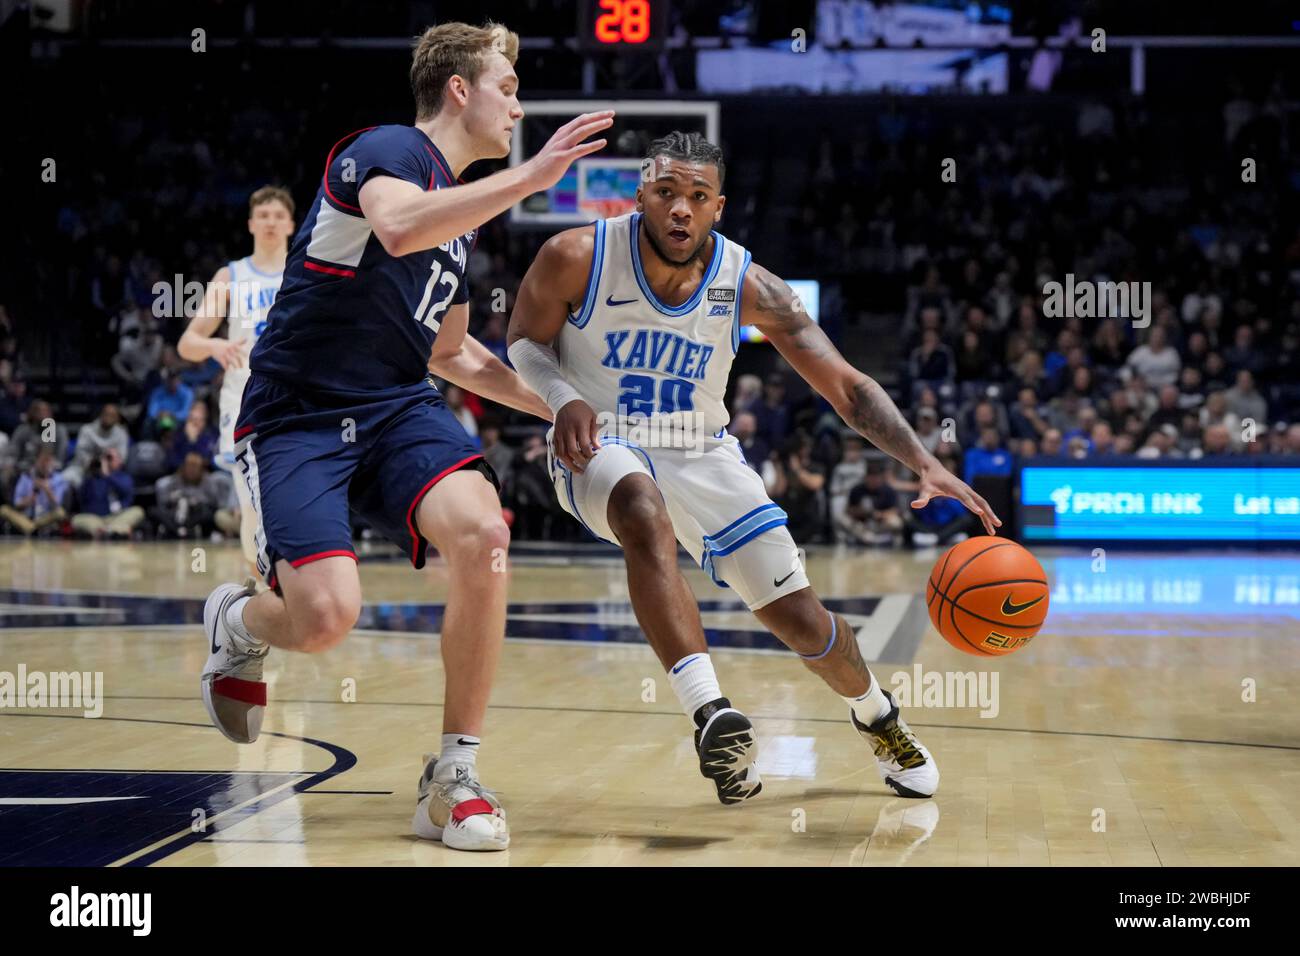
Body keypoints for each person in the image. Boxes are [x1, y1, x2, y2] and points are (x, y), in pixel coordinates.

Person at [198, 19, 611, 853]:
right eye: (509, 88)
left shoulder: (462, 220)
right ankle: (239, 623)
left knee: (487, 533)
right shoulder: (386, 150)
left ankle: (453, 776)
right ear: (459, 90)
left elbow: (455, 354)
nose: (519, 107)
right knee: (322, 620)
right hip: (297, 414)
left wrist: (566, 404)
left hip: (393, 406)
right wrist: (533, 177)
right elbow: (395, 228)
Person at [507, 131, 1000, 806]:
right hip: (600, 441)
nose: (680, 209)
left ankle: (878, 715)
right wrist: (562, 398)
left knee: (802, 621)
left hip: (704, 450)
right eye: (666, 193)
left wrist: (923, 461)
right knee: (640, 505)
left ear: (719, 208)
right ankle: (714, 716)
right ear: (642, 196)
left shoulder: (749, 284)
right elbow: (525, 344)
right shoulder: (576, 255)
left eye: (697, 197)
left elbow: (848, 389)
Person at [179, 186, 295, 578]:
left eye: (278, 215)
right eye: (263, 215)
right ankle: (259, 580)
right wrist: (214, 346)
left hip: (295, 397)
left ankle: (290, 579)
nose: (270, 222)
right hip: (243, 399)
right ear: (250, 223)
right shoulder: (231, 275)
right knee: (249, 502)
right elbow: (187, 343)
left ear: (291, 224)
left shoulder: (304, 270)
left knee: (292, 498)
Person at [71, 447, 144, 539]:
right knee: (76, 519)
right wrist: (89, 472)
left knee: (138, 511)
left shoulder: (124, 477)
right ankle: (112, 531)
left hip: (117, 517)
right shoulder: (93, 479)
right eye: (105, 458)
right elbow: (81, 498)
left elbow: (126, 491)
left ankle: (109, 530)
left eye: (110, 458)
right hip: (96, 519)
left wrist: (107, 475)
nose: (107, 461)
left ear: (120, 461)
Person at [1, 449, 67, 536]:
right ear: (36, 462)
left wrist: (47, 490)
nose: (45, 465)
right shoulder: (26, 477)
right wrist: (31, 498)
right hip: (26, 517)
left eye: (48, 461)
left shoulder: (58, 479)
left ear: (53, 463)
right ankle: (32, 528)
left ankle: (31, 528)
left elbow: (57, 504)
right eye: (42, 461)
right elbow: (17, 503)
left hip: (45, 518)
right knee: (4, 509)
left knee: (60, 512)